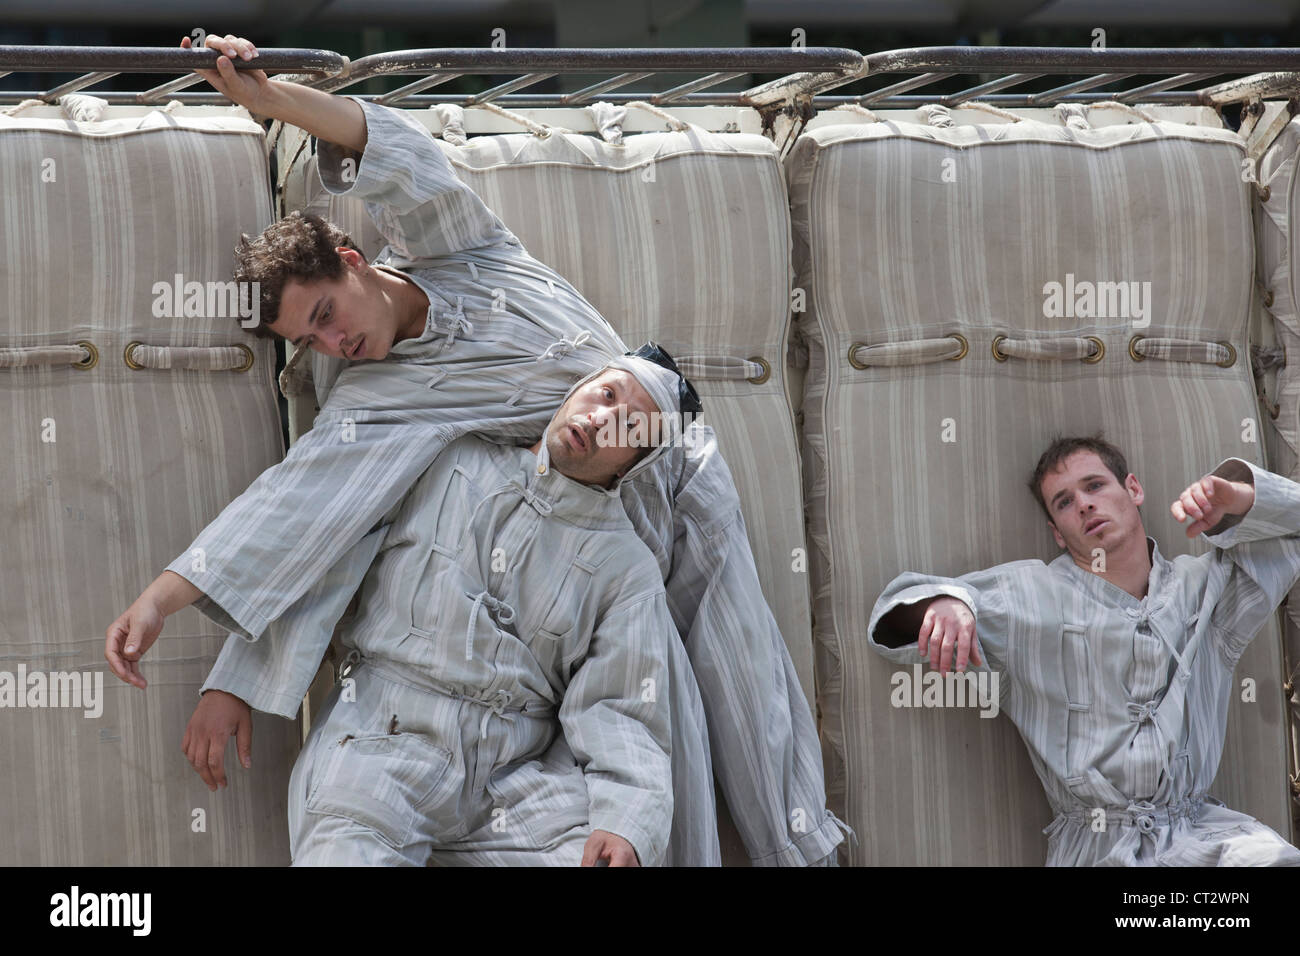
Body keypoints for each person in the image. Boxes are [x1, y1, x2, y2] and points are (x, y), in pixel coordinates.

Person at [104, 33, 846, 866]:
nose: (333, 341)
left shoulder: (466, 251)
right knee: (655, 717)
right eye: (307, 340)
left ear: (352, 261)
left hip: (665, 447)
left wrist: (270, 99)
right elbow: (302, 512)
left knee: (744, 676)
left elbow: (397, 156)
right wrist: (163, 602)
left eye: (325, 313)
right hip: (581, 529)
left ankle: (802, 850)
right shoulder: (375, 401)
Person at [181, 352, 712, 866]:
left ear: (635, 462)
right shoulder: (449, 460)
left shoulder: (626, 567)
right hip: (378, 739)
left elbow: (620, 705)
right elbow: (327, 561)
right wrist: (236, 681)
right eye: (606, 394)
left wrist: (625, 819)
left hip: (514, 775)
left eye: (629, 428)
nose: (600, 421)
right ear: (579, 387)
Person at [868, 435, 1300, 866]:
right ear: (1057, 533)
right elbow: (890, 621)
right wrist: (946, 603)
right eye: (1063, 501)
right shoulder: (1029, 596)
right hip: (1097, 848)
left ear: (1133, 489)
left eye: (1094, 486)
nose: (1084, 504)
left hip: (1205, 837)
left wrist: (1242, 500)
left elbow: (1291, 535)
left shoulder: (1206, 589)